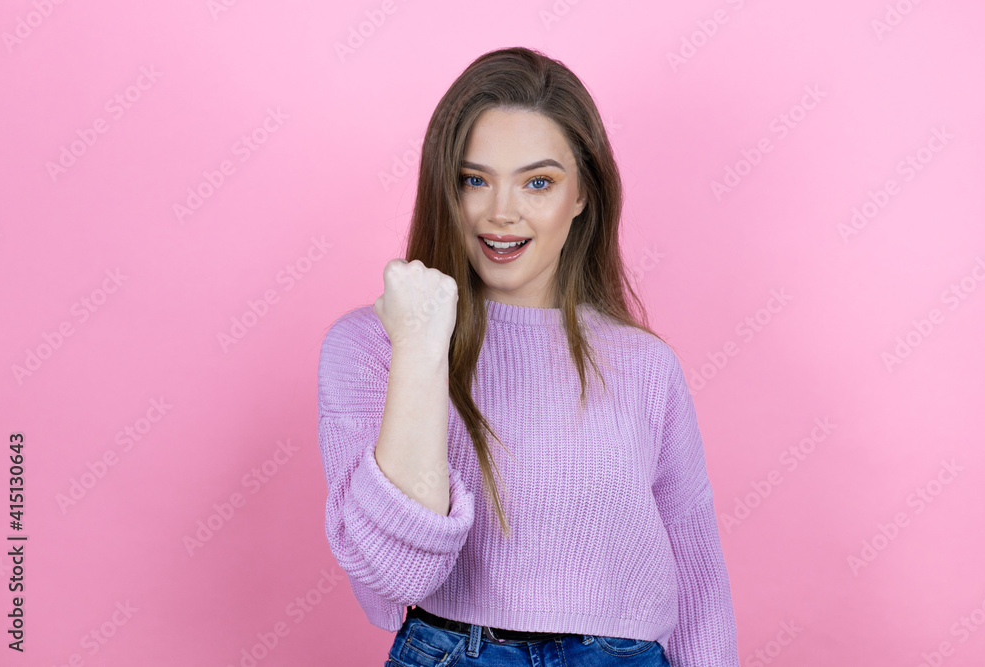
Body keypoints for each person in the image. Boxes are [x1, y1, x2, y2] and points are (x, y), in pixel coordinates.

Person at [317, 46, 740, 666]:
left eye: (538, 182)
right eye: (474, 180)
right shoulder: (371, 348)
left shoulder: (646, 366)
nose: (502, 212)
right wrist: (421, 348)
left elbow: (697, 573)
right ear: (444, 188)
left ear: (583, 194)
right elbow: (396, 575)